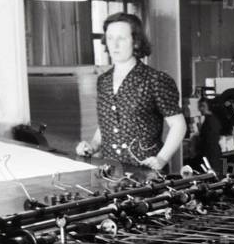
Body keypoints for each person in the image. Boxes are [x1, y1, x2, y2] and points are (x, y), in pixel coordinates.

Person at [76, 12, 186, 172]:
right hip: (110, 171)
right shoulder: (103, 81)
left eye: (121, 38)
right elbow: (106, 123)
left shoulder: (155, 79)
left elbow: (178, 125)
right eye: (110, 38)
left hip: (145, 171)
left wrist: (162, 158)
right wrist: (92, 146)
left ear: (136, 42)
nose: (114, 45)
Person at [190, 97, 224, 175]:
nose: (200, 109)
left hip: (211, 155)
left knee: (213, 175)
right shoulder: (213, 120)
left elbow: (208, 139)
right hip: (214, 153)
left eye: (201, 106)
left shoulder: (210, 121)